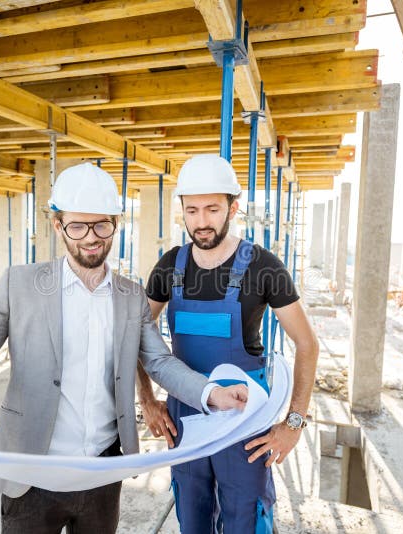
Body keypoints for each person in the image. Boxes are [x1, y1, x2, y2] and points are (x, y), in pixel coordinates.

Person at [0, 162, 248, 534]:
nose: (91, 238)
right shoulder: (19, 285)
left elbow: (160, 362)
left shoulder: (129, 296)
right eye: (77, 226)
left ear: (116, 225)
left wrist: (212, 393)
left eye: (101, 226)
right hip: (31, 472)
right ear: (58, 225)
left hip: (101, 473)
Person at [137, 154, 319, 533]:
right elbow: (135, 333)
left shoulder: (263, 266)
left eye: (212, 208)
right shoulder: (170, 265)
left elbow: (307, 343)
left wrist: (294, 422)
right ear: (182, 212)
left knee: (245, 519)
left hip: (245, 417)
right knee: (193, 515)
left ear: (233, 208)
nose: (201, 221)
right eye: (192, 210)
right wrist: (148, 401)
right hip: (185, 415)